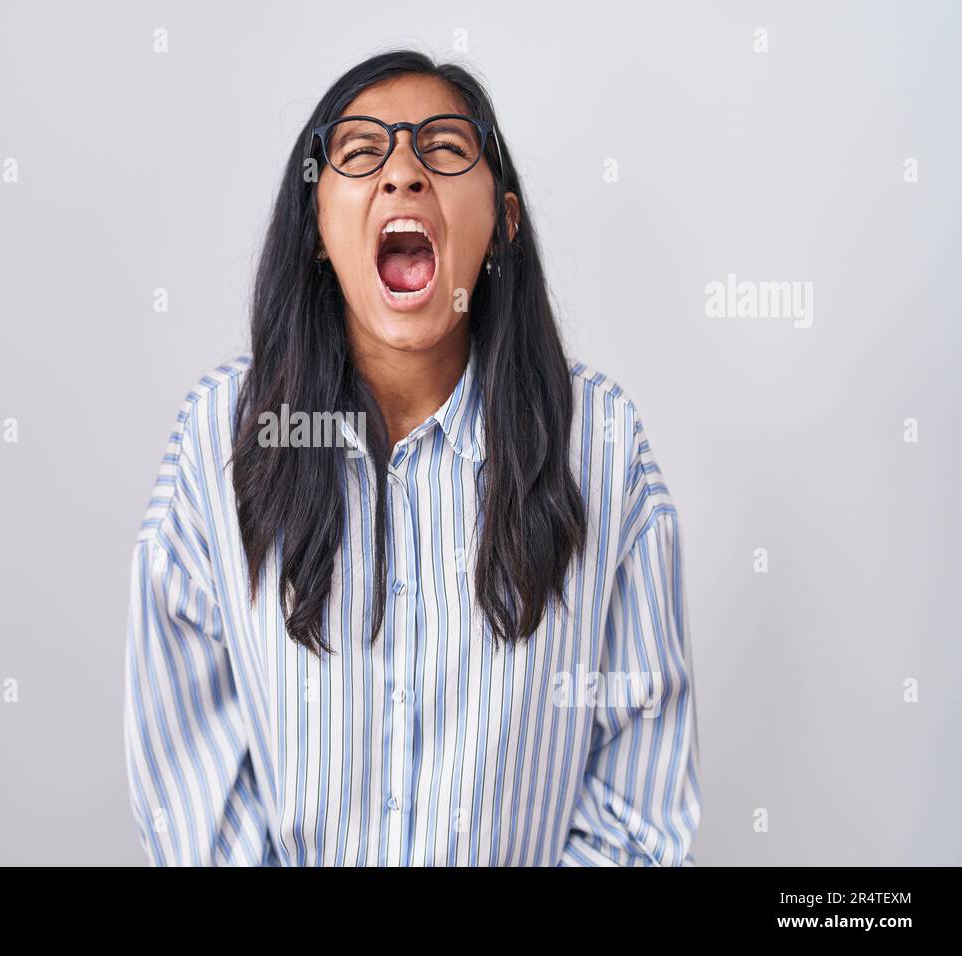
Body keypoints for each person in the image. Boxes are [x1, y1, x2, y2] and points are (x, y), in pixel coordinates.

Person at [123, 49, 700, 866]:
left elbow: (638, 798)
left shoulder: (596, 440)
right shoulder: (224, 433)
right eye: (362, 154)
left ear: (503, 221)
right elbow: (189, 778)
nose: (402, 173)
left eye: (443, 148)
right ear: (319, 230)